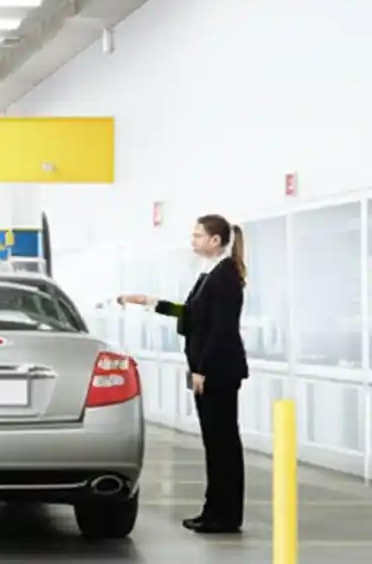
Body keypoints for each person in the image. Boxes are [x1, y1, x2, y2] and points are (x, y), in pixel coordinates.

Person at [119, 214, 249, 534]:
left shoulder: (225, 277)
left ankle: (225, 514)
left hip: (216, 370)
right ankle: (214, 510)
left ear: (215, 240)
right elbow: (190, 314)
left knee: (222, 443)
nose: (193, 241)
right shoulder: (208, 275)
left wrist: (202, 369)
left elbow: (220, 329)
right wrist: (150, 302)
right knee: (214, 442)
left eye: (197, 236)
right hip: (206, 368)